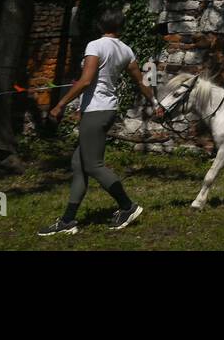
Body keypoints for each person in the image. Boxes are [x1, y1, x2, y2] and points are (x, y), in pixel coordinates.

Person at [39, 14, 162, 235]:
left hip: (95, 111)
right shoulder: (126, 50)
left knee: (93, 165)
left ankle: (127, 206)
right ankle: (68, 220)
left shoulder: (95, 45)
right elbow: (140, 80)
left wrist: (60, 104)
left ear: (100, 24)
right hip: (107, 110)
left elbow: (86, 80)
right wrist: (154, 101)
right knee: (79, 164)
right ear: (120, 27)